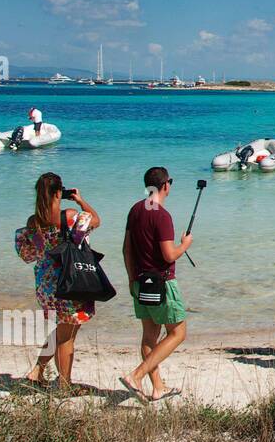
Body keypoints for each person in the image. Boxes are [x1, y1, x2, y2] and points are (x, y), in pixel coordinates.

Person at [14, 173, 102, 390]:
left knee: (64, 329)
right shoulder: (70, 216)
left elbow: (29, 254)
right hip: (70, 283)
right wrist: (80, 200)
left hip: (46, 285)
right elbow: (96, 221)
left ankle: (38, 370)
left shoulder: (33, 222)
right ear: (58, 193)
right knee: (67, 336)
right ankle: (64, 386)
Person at [120, 167, 193, 402]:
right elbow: (169, 255)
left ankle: (158, 387)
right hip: (162, 283)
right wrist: (185, 244)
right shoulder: (161, 215)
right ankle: (137, 375)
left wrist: (131, 279)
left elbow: (126, 249)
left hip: (140, 281)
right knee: (178, 333)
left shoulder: (136, 209)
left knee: (149, 336)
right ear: (165, 186)